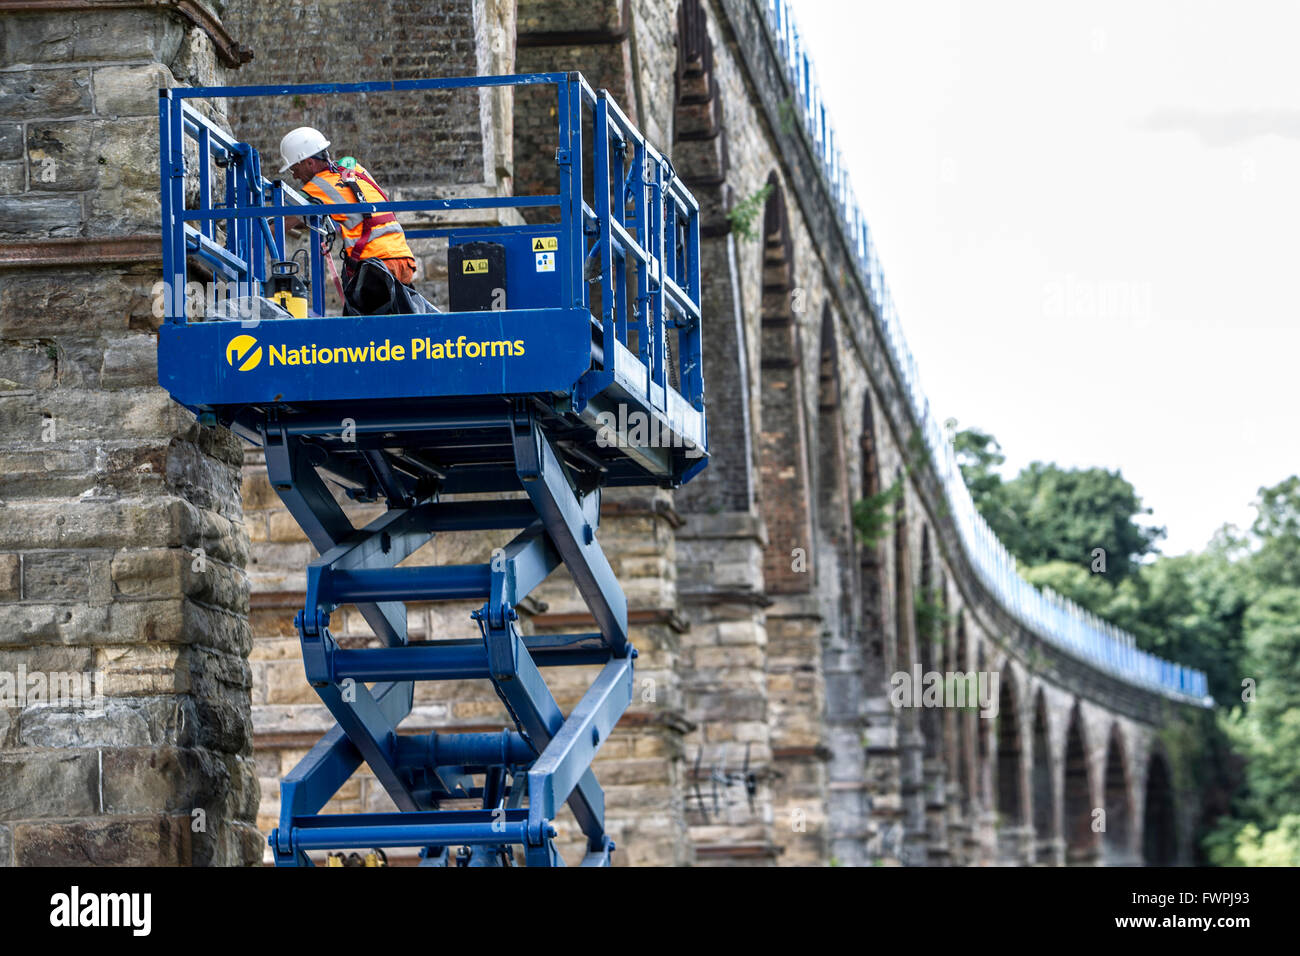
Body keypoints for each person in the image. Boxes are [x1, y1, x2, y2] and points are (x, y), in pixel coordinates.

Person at [279, 126, 417, 286]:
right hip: (404, 261)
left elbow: (281, 223)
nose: (295, 176)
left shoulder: (316, 187)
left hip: (376, 266)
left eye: (295, 169)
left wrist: (256, 236)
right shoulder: (355, 169)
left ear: (309, 162)